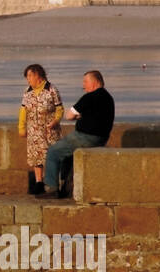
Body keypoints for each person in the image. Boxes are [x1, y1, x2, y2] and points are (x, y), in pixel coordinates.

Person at [42, 70, 114, 199]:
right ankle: (67, 188)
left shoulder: (90, 97)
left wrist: (79, 117)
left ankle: (51, 189)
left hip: (85, 137)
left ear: (94, 82)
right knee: (68, 157)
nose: (83, 85)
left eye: (85, 82)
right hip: (101, 138)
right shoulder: (108, 98)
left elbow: (69, 116)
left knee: (53, 152)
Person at [18, 64, 63, 195]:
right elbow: (23, 111)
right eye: (27, 77)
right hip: (33, 131)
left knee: (49, 156)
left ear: (38, 75)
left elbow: (59, 109)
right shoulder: (27, 91)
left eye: (30, 76)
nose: (28, 79)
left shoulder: (51, 90)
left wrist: (55, 121)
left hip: (49, 131)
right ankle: (38, 183)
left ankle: (53, 184)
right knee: (35, 157)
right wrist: (21, 127)